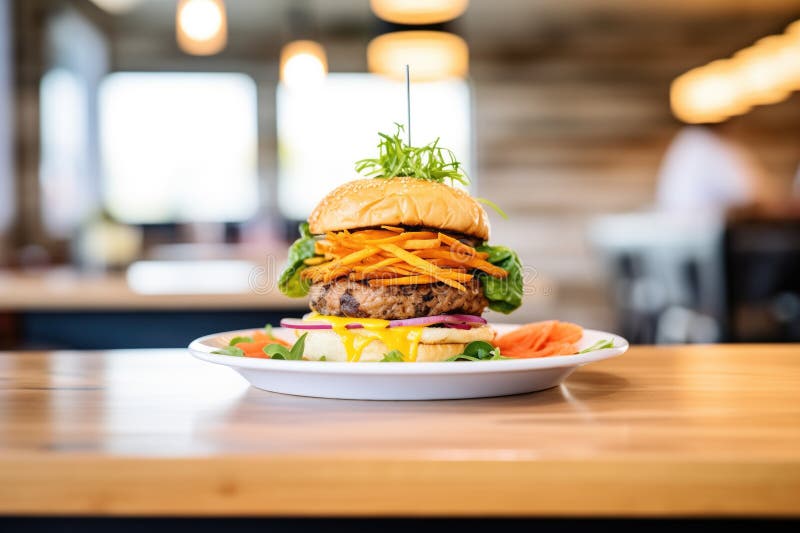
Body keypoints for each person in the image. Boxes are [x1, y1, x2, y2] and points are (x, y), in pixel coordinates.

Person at [655, 120, 776, 215]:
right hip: (706, 234)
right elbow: (748, 194)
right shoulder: (708, 146)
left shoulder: (686, 141)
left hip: (682, 231)